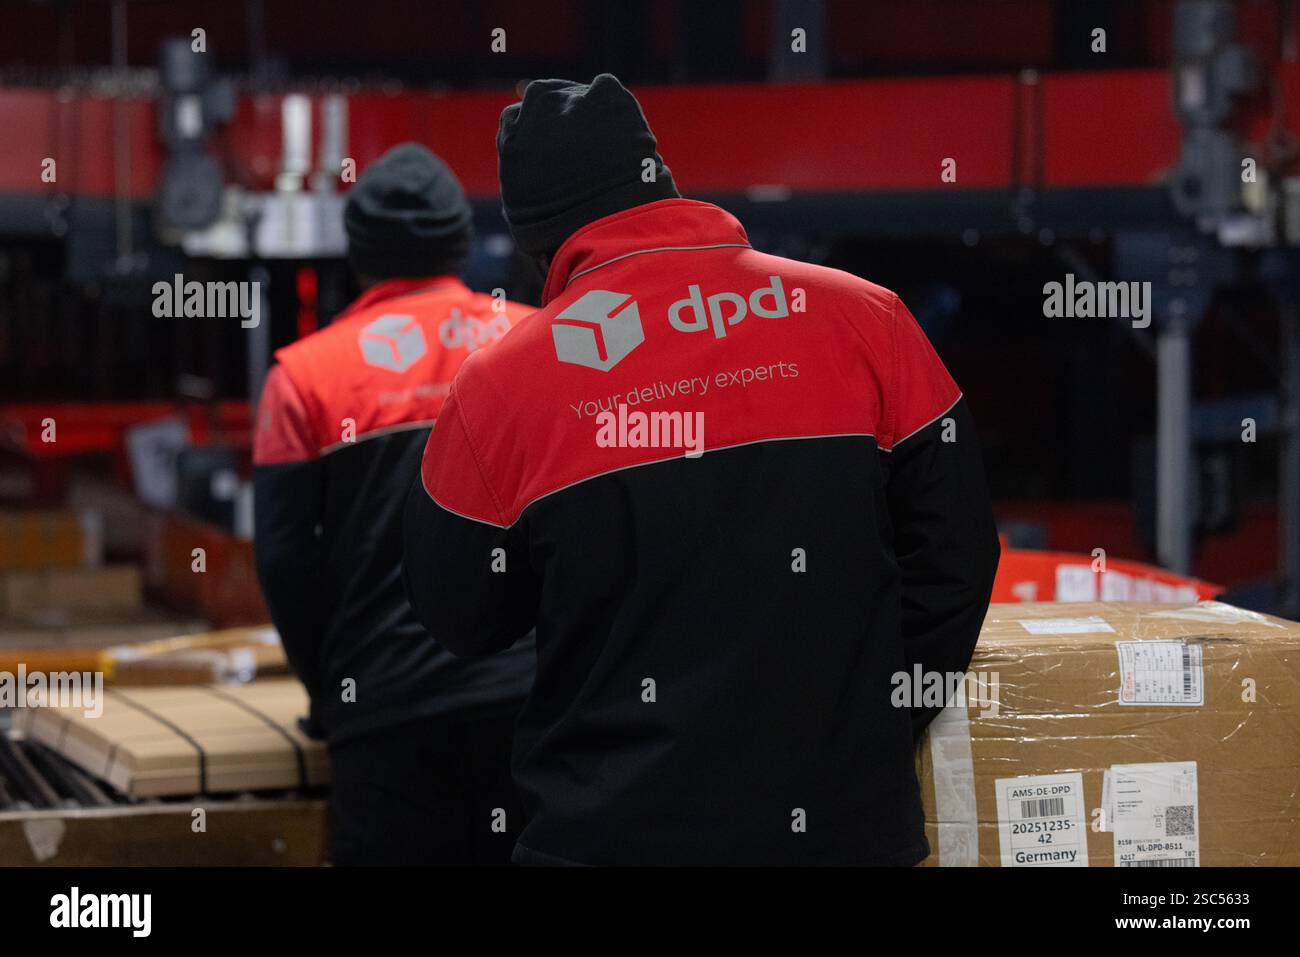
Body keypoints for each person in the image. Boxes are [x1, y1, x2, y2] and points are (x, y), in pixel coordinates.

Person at [403, 75, 1000, 865]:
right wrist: (866, 722)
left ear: (536, 238)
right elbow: (958, 556)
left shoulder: (501, 387)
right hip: (842, 832)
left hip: (610, 836)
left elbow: (460, 617)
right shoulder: (868, 317)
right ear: (660, 175)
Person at [253, 143, 534, 865]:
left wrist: (329, 692)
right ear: (460, 242)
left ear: (358, 250)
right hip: (533, 705)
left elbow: (284, 559)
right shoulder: (539, 342)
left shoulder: (304, 377)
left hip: (385, 714)